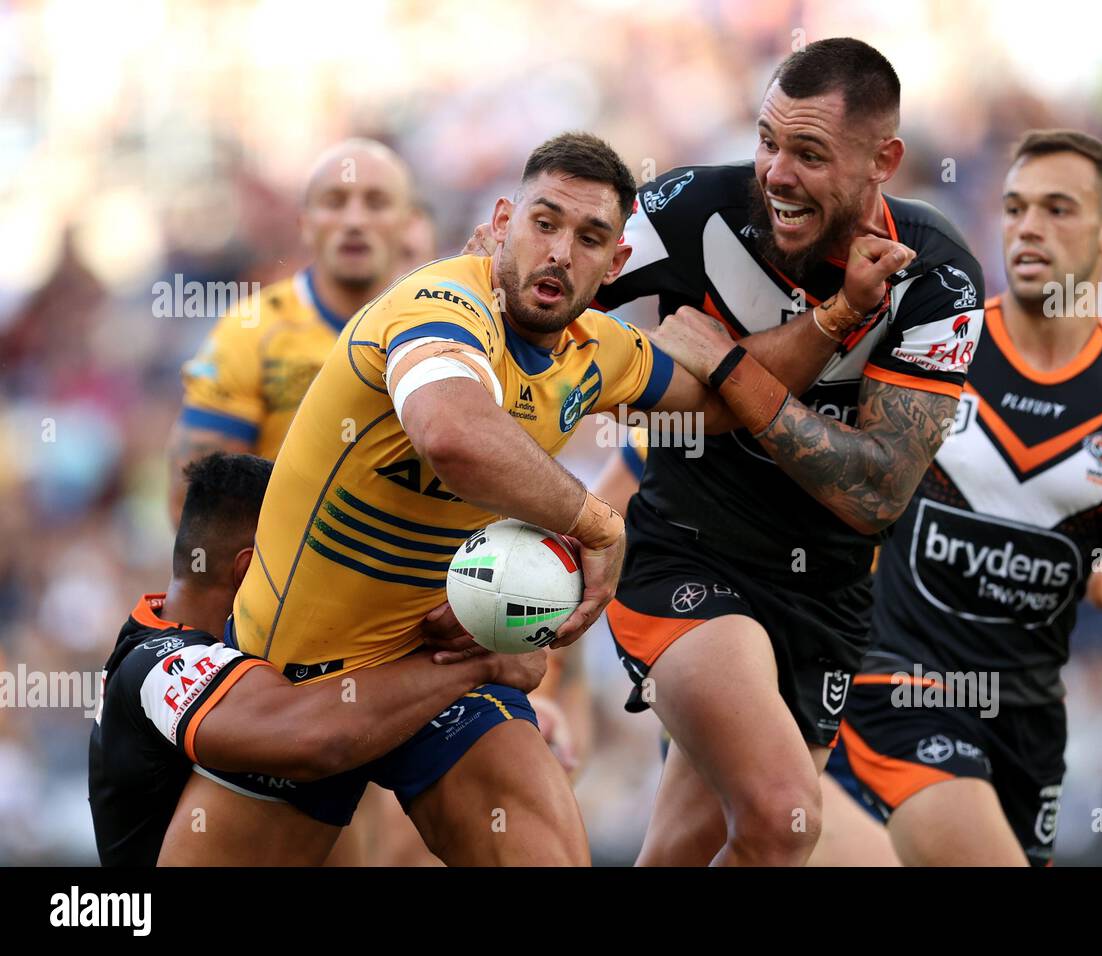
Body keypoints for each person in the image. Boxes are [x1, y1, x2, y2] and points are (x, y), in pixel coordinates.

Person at [159, 131, 836, 866]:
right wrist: (599, 524)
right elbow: (450, 432)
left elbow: (725, 401)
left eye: (589, 238)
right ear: (506, 222)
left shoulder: (596, 348)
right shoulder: (440, 302)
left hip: (441, 669)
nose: (558, 252)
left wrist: (835, 320)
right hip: (295, 684)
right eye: (544, 224)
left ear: (616, 264)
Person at [580, 37, 986, 866]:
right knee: (784, 822)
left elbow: (873, 493)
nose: (775, 173)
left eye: (809, 153)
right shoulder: (691, 208)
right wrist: (503, 262)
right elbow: (549, 286)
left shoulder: (937, 280)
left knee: (686, 850)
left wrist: (731, 366)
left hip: (827, 598)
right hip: (687, 559)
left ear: (885, 160)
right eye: (767, 141)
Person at [823, 129, 1102, 866]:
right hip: (900, 684)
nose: (1027, 226)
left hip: (1029, 719)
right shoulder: (934, 344)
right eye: (1014, 206)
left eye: (1056, 208)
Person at [89, 453, 544, 866]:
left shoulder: (172, 644)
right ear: (250, 570)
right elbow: (316, 738)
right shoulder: (158, 665)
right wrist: (483, 664)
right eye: (310, 559)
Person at [165, 138, 416, 525]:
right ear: (305, 223)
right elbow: (196, 502)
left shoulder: (444, 327)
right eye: (335, 201)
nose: (354, 221)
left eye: (376, 202)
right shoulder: (251, 331)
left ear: (408, 223)